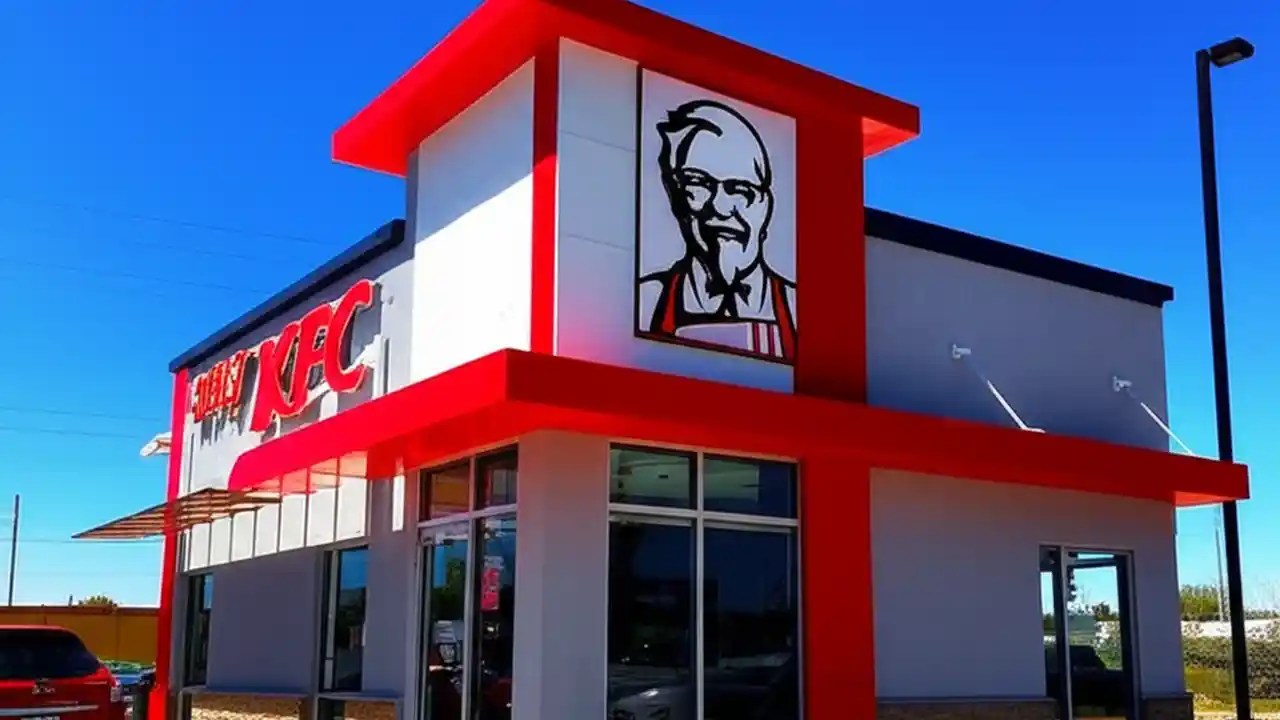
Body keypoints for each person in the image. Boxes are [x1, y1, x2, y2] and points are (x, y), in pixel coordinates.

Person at [639, 99, 796, 362]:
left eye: (740, 190)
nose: (721, 208)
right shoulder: (646, 299)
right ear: (675, 198)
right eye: (699, 184)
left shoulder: (798, 308)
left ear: (765, 206)